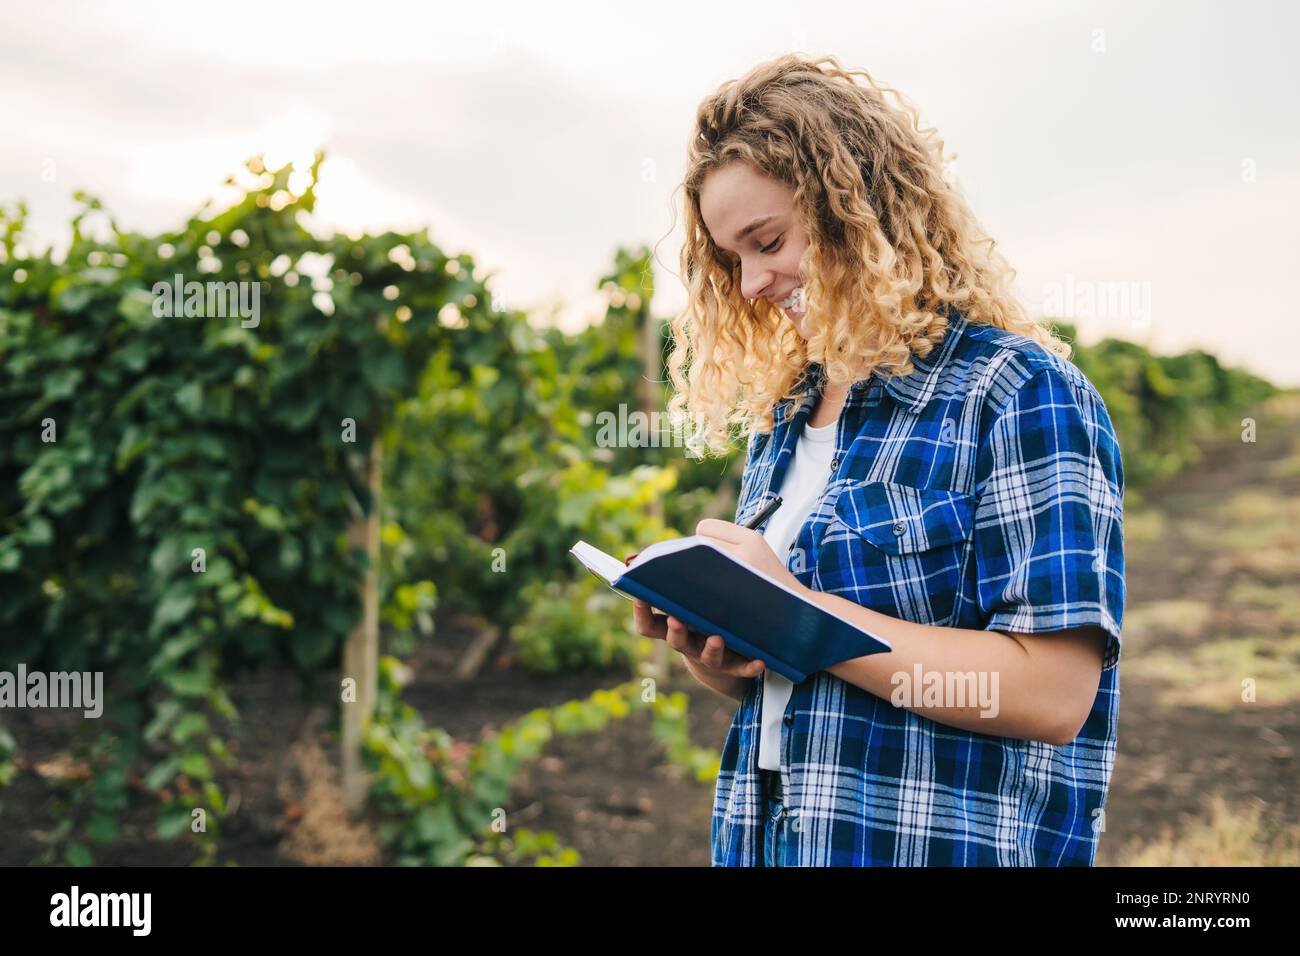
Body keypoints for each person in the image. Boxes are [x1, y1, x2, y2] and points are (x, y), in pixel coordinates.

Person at [631, 54, 1124, 866]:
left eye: (768, 241)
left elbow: (1053, 692)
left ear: (858, 209)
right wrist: (721, 650)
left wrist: (793, 611)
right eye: (731, 259)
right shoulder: (788, 416)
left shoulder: (1016, 392)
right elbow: (792, 684)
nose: (751, 281)